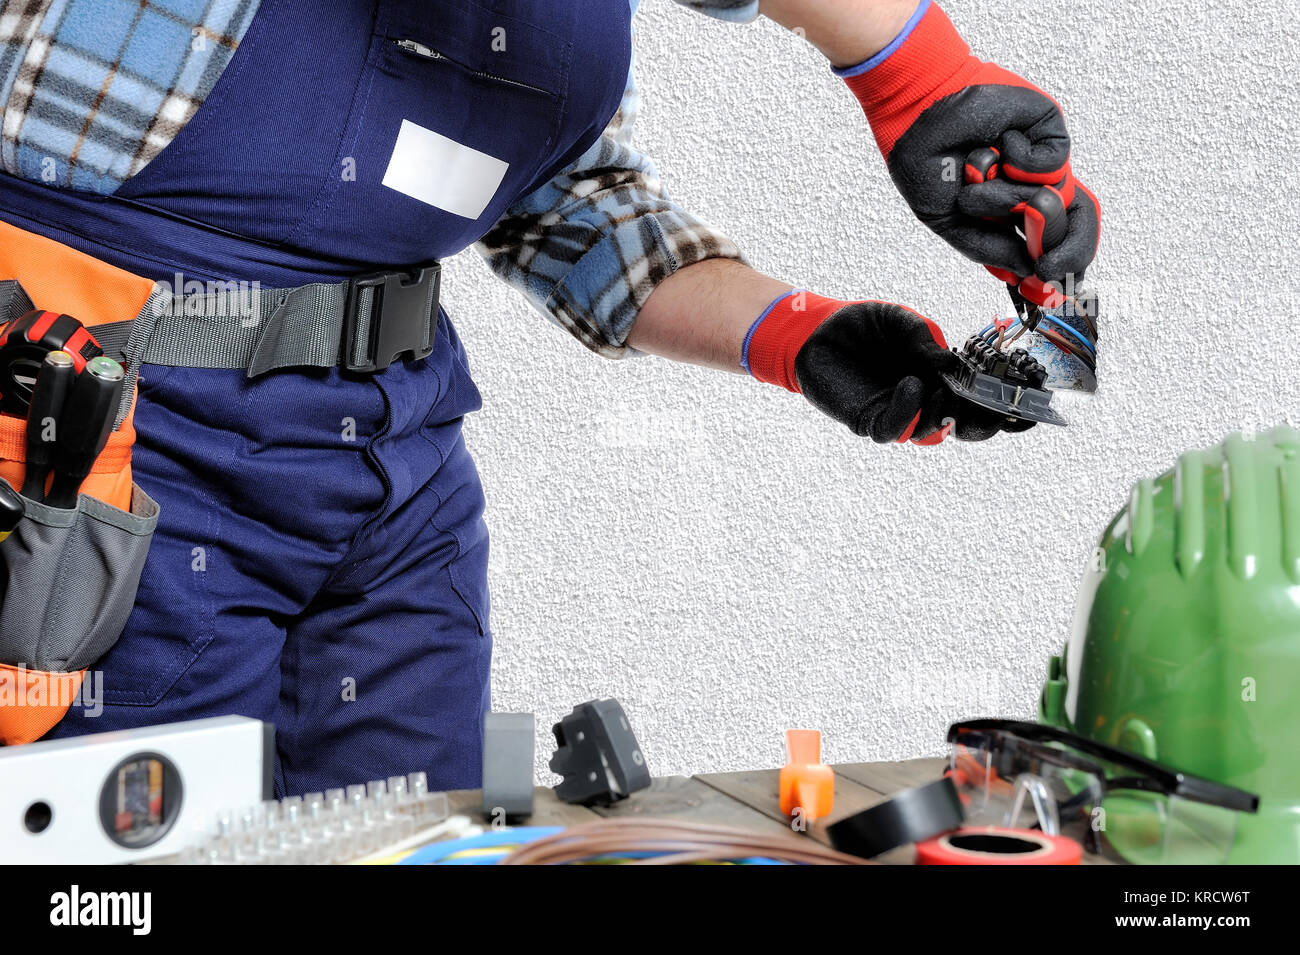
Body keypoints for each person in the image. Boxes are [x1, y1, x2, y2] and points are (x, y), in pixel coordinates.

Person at [0, 0, 1098, 793]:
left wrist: (802, 336)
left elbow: (570, 210)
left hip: (393, 479)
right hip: (116, 452)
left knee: (417, 828)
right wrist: (902, 58)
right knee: (129, 865)